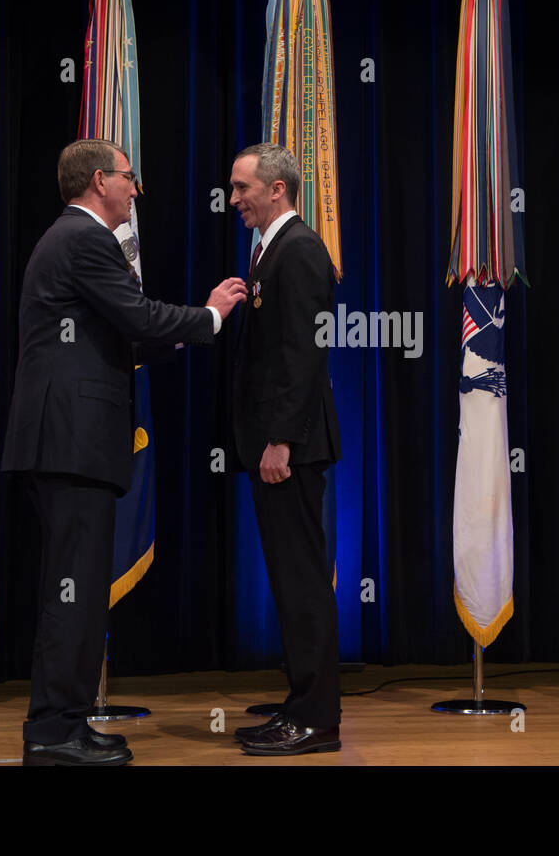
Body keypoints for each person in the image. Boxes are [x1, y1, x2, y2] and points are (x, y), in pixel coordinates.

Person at [2, 138, 247, 765]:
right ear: (97, 182)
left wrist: (181, 332)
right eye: (128, 178)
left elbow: (120, 339)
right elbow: (137, 316)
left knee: (79, 593)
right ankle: (54, 734)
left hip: (71, 443)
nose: (135, 190)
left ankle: (67, 724)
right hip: (70, 442)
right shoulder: (84, 239)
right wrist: (210, 317)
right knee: (72, 593)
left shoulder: (72, 239)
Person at [229, 143, 342, 755]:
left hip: (290, 447)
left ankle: (316, 719)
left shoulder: (298, 249)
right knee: (291, 581)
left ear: (277, 189)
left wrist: (279, 440)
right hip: (279, 444)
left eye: (243, 187)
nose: (235, 198)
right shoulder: (272, 250)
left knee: (301, 584)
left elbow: (303, 357)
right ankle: (301, 704)